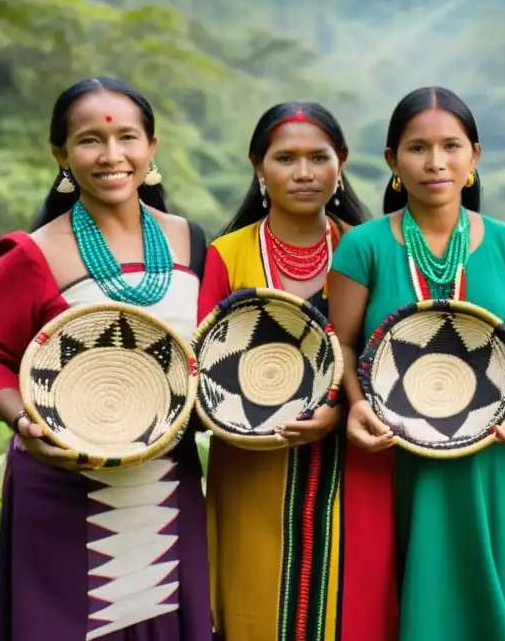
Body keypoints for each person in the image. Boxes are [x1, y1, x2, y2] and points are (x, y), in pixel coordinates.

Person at [0, 77, 212, 640]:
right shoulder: (30, 253)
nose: (112, 155)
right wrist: (25, 422)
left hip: (167, 483)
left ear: (152, 147)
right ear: (62, 155)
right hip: (65, 487)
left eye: (127, 137)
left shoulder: (190, 241)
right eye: (90, 141)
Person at [327, 86, 505, 641]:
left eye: (451, 146)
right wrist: (357, 408)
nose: (436, 163)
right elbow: (342, 344)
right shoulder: (363, 247)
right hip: (394, 451)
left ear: (474, 157)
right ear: (392, 162)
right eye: (417, 148)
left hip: (490, 448)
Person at [196, 102, 369, 641]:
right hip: (251, 470)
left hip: (351, 470)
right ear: (258, 166)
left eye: (318, 157)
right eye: (285, 157)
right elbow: (198, 367)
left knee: (347, 609)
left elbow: (391, 358)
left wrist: (337, 413)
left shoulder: (364, 248)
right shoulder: (225, 256)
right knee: (255, 609)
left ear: (340, 164)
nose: (303, 172)